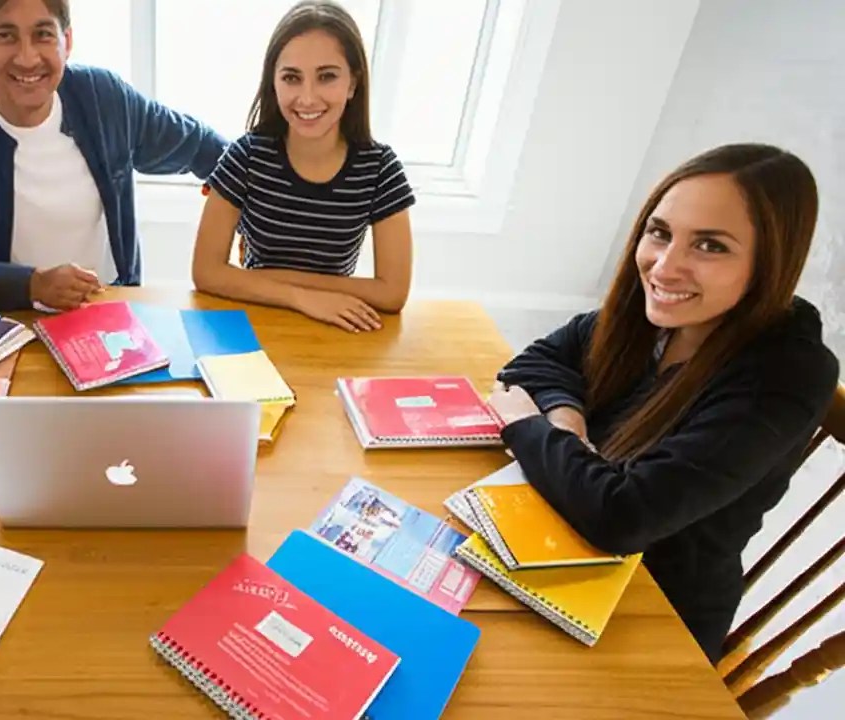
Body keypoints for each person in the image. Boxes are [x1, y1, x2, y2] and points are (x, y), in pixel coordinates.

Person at [486, 144, 840, 663]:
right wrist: (567, 424)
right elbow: (534, 363)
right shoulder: (652, 314)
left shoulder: (786, 371)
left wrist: (526, 425)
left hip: (654, 615)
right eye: (660, 232)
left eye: (710, 246)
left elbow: (621, 517)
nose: (665, 267)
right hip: (564, 543)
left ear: (771, 261)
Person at [0, 0, 228, 314]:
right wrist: (32, 285)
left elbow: (206, 149)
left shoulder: (104, 97)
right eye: (5, 35)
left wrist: (245, 205)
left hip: (111, 313)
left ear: (66, 40)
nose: (27, 58)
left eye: (43, 34)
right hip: (11, 322)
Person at [191, 0, 415, 333]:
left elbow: (393, 293)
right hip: (252, 323)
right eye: (292, 78)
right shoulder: (245, 157)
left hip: (335, 328)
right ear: (274, 82)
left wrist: (269, 280)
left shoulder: (381, 168)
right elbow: (206, 272)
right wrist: (302, 297)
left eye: (327, 77)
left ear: (353, 84)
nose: (307, 98)